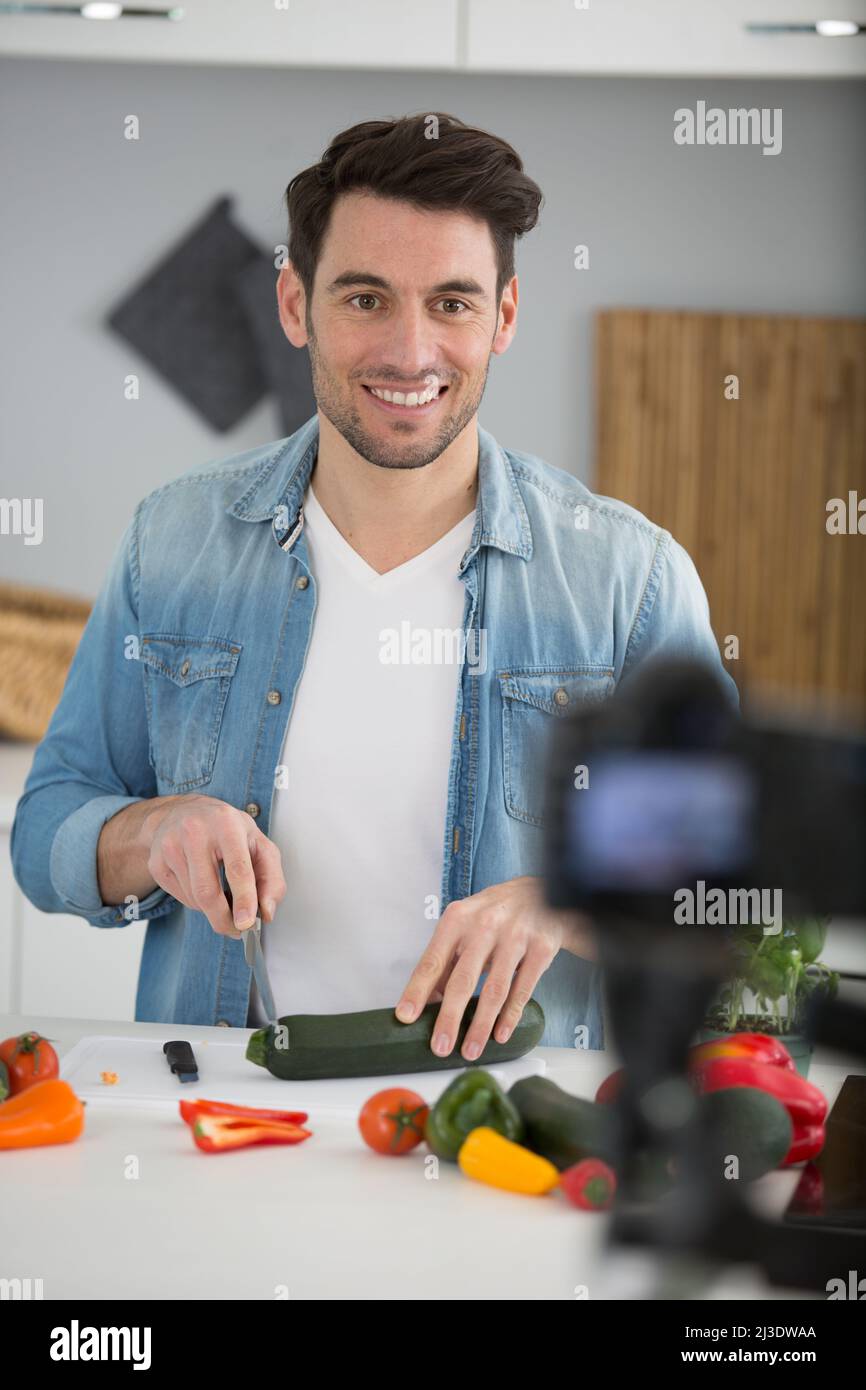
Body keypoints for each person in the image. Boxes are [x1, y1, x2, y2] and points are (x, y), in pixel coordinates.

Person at [11, 112, 738, 1057]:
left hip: (510, 1139)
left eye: (451, 303)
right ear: (294, 304)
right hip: (227, 1120)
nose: (408, 351)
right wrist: (153, 834)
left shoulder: (628, 579)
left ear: (504, 317)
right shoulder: (172, 541)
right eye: (364, 299)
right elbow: (47, 831)